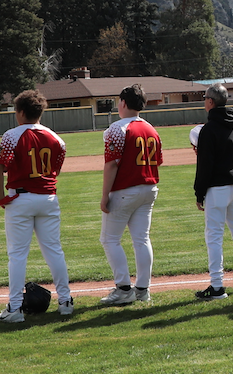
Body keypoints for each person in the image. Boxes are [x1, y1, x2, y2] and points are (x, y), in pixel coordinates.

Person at [0, 90, 73, 323]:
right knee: (54, 251)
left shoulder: (12, 135)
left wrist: (0, 197)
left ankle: (15, 309)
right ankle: (65, 301)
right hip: (48, 197)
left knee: (17, 255)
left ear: (22, 112)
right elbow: (55, 169)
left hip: (20, 198)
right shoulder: (57, 138)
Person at [98, 84, 161, 306]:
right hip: (149, 188)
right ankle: (142, 289)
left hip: (126, 189)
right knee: (141, 238)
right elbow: (158, 161)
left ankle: (124, 288)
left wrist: (105, 195)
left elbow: (111, 165)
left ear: (123, 103)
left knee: (109, 238)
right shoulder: (151, 128)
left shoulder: (117, 128)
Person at [193, 84, 233, 300]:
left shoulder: (208, 129)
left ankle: (217, 286)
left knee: (214, 237)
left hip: (216, 189)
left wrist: (199, 193)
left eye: (205, 98)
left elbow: (205, 166)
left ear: (210, 101)